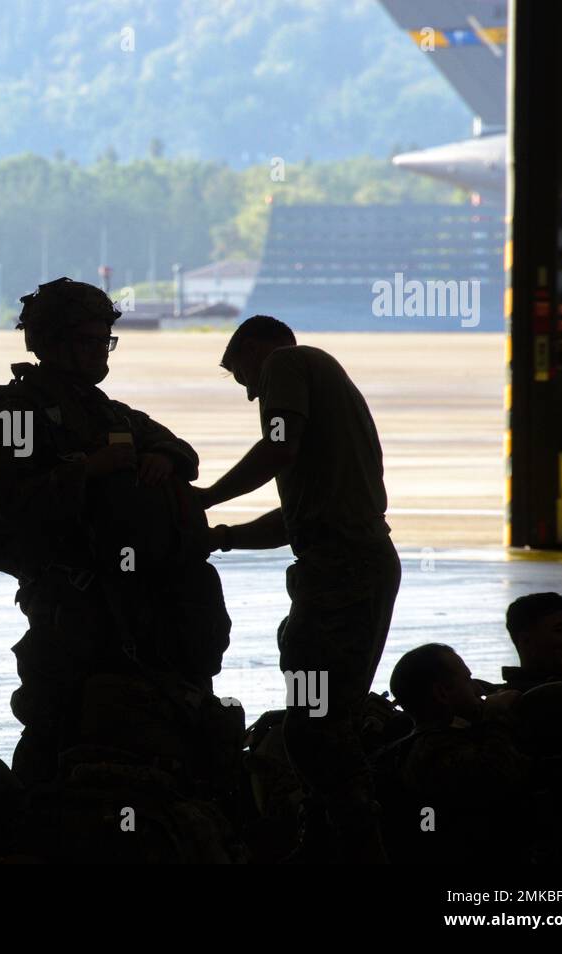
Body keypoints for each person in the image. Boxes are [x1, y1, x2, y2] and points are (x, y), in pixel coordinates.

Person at [0, 277, 230, 786]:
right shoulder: (13, 415)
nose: (101, 352)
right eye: (88, 341)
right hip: (67, 602)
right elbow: (17, 504)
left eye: (105, 340)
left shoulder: (110, 412)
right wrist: (91, 468)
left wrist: (161, 457)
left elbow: (183, 450)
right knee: (58, 719)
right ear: (49, 344)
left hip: (140, 605)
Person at [198, 314, 400, 861]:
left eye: (240, 374)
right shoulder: (329, 391)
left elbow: (277, 446)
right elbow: (293, 517)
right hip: (355, 565)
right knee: (329, 719)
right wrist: (224, 538)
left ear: (256, 349)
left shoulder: (288, 362)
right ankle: (340, 835)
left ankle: (344, 844)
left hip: (339, 572)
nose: (247, 392)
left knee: (312, 726)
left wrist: (207, 497)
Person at [382, 644, 531, 862]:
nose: (478, 689)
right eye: (467, 680)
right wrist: (496, 715)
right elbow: (499, 777)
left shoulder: (446, 739)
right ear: (442, 693)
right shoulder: (429, 753)